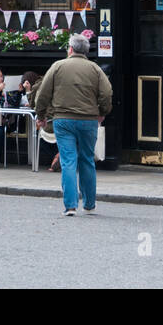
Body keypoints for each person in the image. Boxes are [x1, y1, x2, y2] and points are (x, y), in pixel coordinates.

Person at [35, 34, 112, 217]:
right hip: (89, 120)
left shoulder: (58, 66)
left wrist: (41, 115)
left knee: (68, 161)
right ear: (85, 51)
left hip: (63, 120)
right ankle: (89, 204)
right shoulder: (95, 69)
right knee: (86, 159)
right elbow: (107, 93)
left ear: (70, 49)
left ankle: (70, 206)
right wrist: (102, 112)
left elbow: (42, 94)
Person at [22, 71, 58, 170]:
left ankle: (57, 155)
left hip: (50, 122)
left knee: (40, 138)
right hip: (61, 118)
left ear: (27, 81)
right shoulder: (45, 82)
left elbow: (33, 104)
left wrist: (28, 90)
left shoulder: (36, 87)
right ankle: (59, 156)